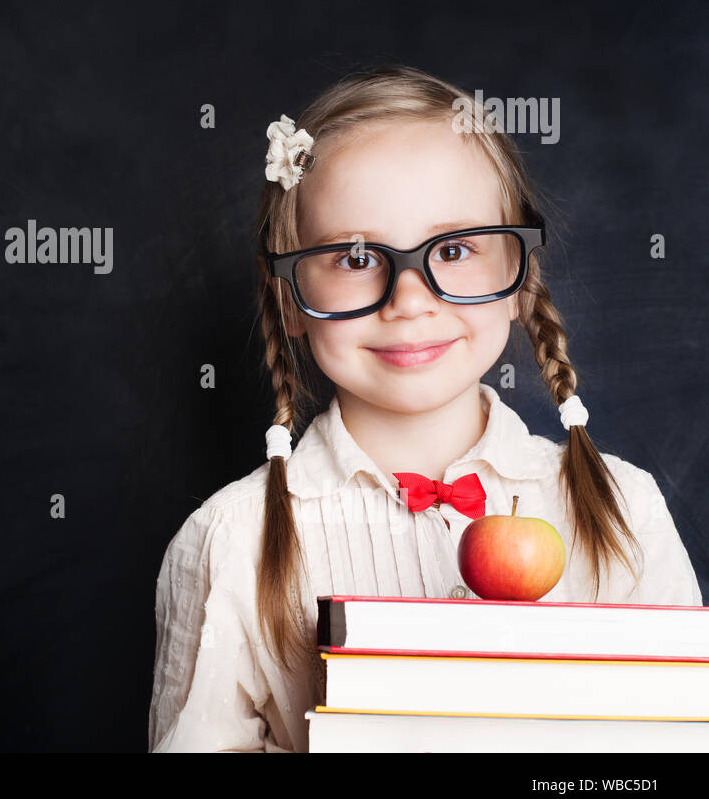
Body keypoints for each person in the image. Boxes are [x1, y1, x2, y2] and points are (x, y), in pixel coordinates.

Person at [149, 65, 702, 752]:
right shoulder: (229, 541)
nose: (409, 299)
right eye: (355, 257)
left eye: (454, 249)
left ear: (519, 278)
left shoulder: (626, 511)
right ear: (289, 296)